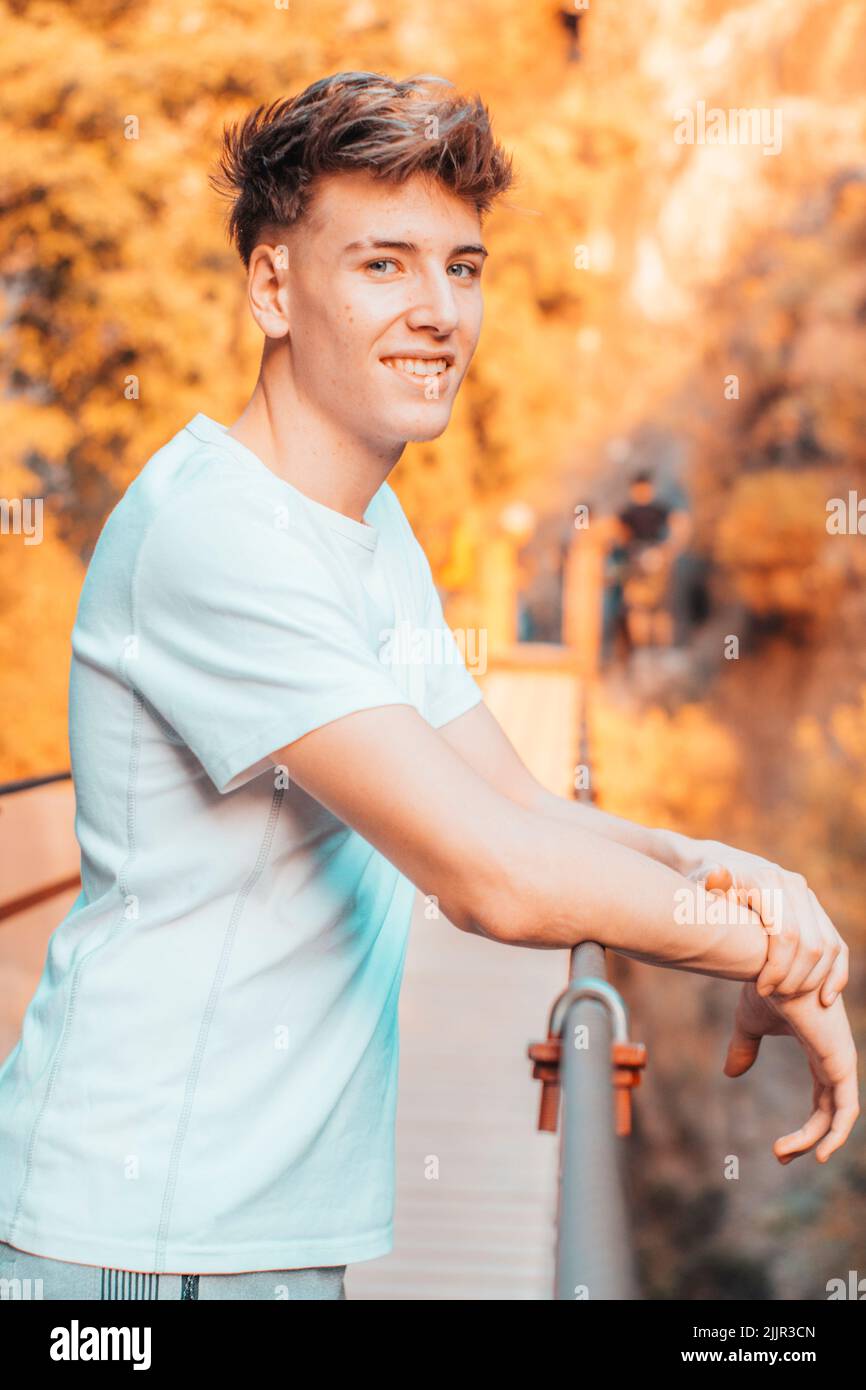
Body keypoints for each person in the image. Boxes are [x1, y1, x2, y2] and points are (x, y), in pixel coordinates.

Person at [0, 71, 857, 1302]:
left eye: (462, 266)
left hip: (262, 1237)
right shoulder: (214, 534)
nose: (438, 310)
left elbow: (510, 807)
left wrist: (729, 873)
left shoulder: (366, 522)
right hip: (135, 1245)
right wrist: (760, 955)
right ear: (273, 286)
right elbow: (488, 881)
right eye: (382, 264)